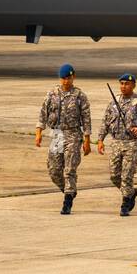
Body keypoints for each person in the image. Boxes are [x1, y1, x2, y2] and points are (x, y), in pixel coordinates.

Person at [35, 63, 92, 214]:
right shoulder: (52, 94)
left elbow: (86, 118)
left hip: (73, 134)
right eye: (63, 78)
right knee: (54, 170)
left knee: (69, 169)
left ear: (73, 77)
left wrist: (87, 140)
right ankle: (69, 190)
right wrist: (39, 132)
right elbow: (43, 113)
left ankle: (67, 200)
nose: (66, 81)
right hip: (57, 135)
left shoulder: (80, 96)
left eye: (68, 78)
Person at [96, 72, 137, 217]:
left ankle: (125, 203)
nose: (123, 86)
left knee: (127, 175)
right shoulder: (114, 102)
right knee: (115, 175)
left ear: (133, 85)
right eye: (121, 84)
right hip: (116, 143)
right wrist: (101, 140)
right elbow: (106, 121)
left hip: (132, 144)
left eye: (127, 84)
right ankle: (131, 192)